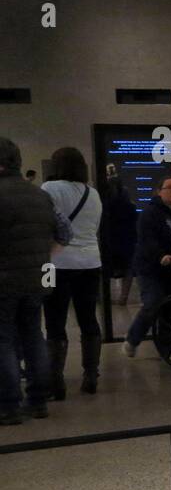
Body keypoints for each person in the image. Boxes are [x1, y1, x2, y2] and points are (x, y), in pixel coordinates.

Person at [0, 136, 57, 425]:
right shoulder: (40, 195)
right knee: (34, 335)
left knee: (4, 340)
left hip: (5, 280)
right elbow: (63, 234)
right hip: (37, 277)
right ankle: (37, 401)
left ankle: (9, 405)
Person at [41, 147, 104, 397]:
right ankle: (91, 374)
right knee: (88, 318)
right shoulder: (94, 193)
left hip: (55, 262)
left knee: (54, 321)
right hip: (90, 262)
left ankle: (56, 380)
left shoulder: (49, 189)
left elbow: (47, 224)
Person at [124, 174, 171, 357]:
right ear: (158, 192)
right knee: (153, 303)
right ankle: (133, 339)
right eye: (169, 187)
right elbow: (147, 240)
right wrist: (161, 255)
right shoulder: (150, 214)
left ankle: (168, 347)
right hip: (151, 268)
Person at [101, 173, 138, 305]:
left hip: (110, 240)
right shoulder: (130, 205)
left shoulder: (105, 205)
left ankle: (105, 296)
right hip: (127, 240)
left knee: (106, 269)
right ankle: (123, 297)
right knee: (128, 269)